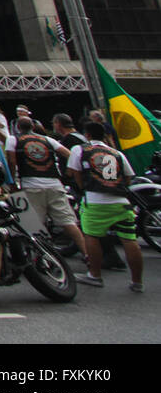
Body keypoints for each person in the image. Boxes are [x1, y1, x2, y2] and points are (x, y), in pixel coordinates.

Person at [68, 122, 143, 292]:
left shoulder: (79, 150)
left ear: (87, 134)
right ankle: (137, 281)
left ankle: (95, 275)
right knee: (129, 239)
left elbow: (75, 173)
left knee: (92, 236)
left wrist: (83, 189)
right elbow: (128, 177)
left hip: (95, 201)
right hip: (121, 202)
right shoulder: (117, 153)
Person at [5, 116, 86, 258]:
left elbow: (11, 161)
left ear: (18, 127)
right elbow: (69, 154)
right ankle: (88, 255)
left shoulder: (13, 139)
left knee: (35, 225)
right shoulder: (47, 140)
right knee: (68, 222)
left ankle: (43, 259)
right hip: (55, 184)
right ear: (33, 126)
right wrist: (69, 172)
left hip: (31, 185)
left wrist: (12, 182)